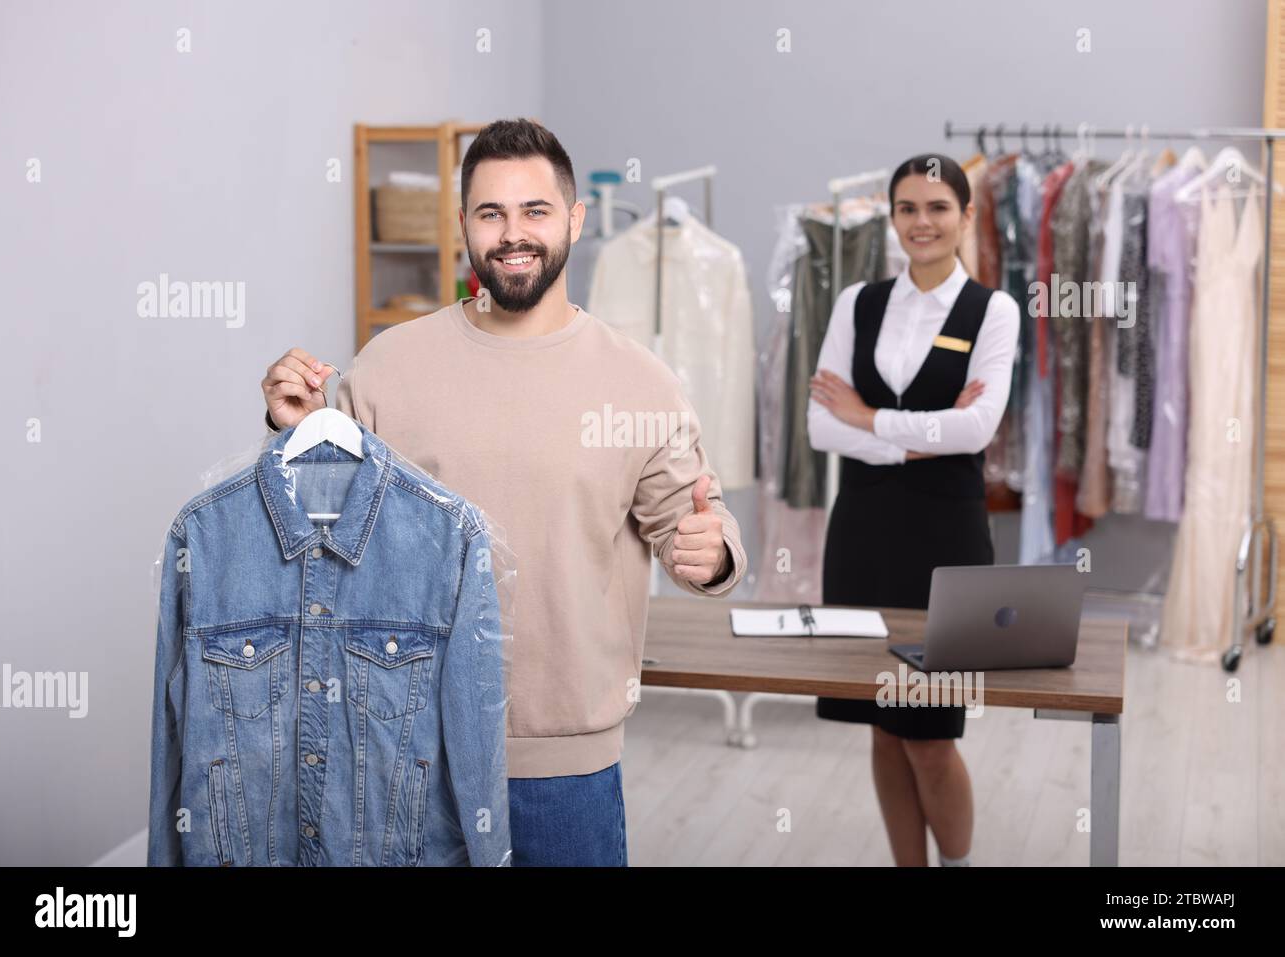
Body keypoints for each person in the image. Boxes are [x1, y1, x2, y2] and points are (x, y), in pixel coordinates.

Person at [260, 118, 748, 866]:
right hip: (407, 752)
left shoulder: (640, 383)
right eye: (490, 213)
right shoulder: (388, 367)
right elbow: (312, 531)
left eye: (535, 211)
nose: (512, 233)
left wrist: (714, 555)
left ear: (575, 221)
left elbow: (697, 537)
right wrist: (289, 430)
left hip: (566, 769)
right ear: (463, 226)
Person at [807, 153, 1019, 867]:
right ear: (892, 216)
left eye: (937, 207)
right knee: (882, 725)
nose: (921, 222)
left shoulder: (994, 311)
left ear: (966, 215)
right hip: (862, 531)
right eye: (907, 208)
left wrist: (868, 418)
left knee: (931, 734)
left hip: (946, 538)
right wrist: (918, 437)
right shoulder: (857, 304)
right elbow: (819, 429)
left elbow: (977, 430)